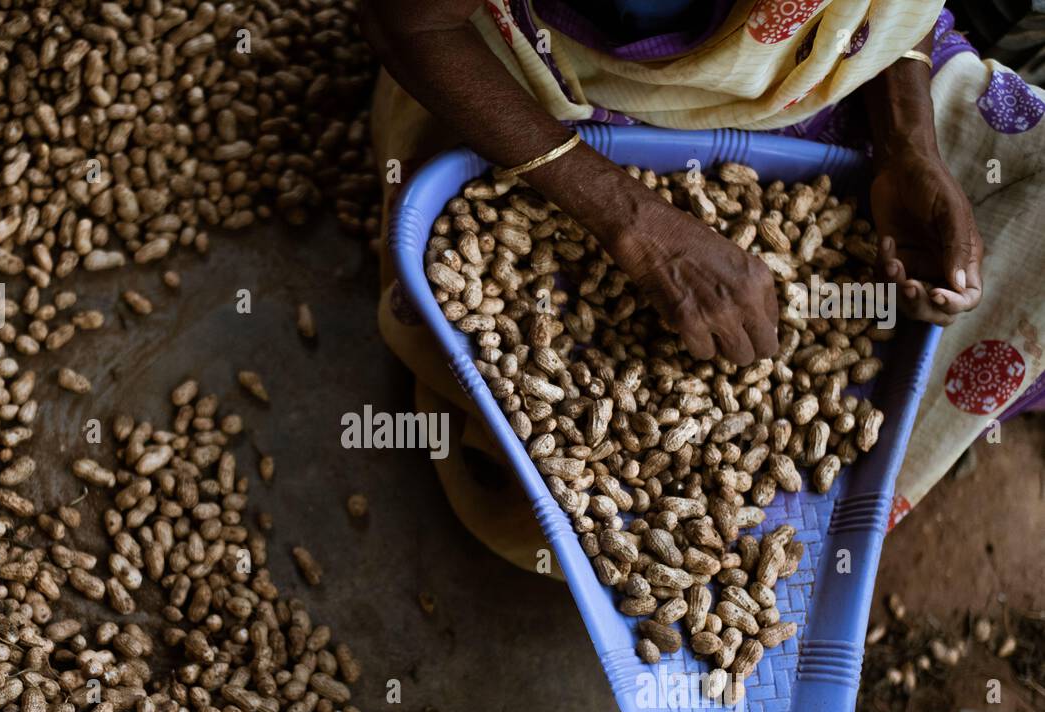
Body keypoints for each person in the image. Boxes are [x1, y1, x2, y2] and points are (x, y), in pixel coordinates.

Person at [362, 1, 1044, 569]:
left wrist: (907, 144)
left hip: (829, 60)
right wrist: (634, 223)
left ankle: (891, 448)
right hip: (576, 92)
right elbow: (410, 20)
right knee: (569, 471)